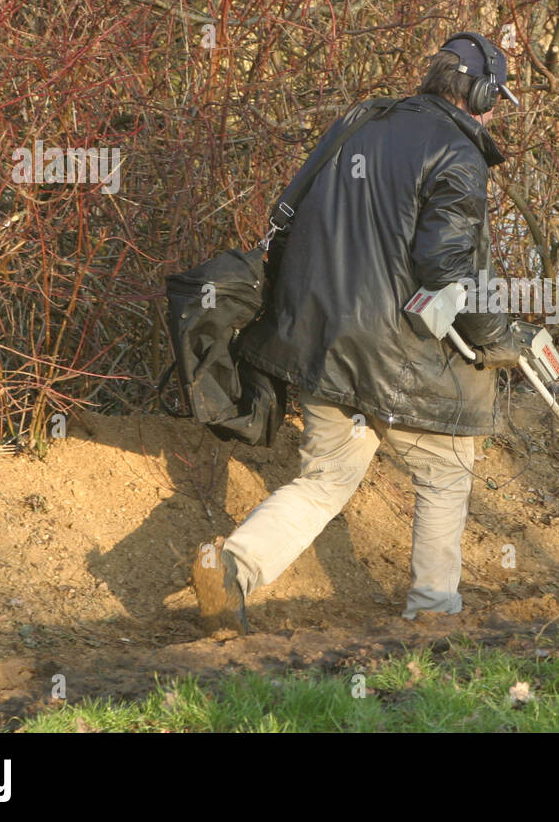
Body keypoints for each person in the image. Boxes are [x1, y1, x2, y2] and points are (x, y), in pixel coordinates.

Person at [190, 31, 523, 633]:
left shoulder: (359, 123)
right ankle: (434, 613)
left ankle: (234, 565)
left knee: (325, 478)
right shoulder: (459, 154)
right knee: (447, 472)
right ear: (475, 94)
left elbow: (288, 218)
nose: (495, 108)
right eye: (494, 95)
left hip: (319, 346)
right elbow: (447, 271)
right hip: (395, 356)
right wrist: (499, 337)